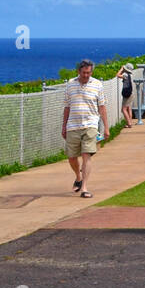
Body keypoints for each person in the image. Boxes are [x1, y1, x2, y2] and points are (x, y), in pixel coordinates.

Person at [62, 60, 109, 198]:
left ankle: (84, 188)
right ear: (79, 72)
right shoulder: (70, 84)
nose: (86, 75)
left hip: (90, 124)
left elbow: (102, 107)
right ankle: (78, 177)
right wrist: (64, 126)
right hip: (73, 125)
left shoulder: (97, 85)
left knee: (86, 155)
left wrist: (106, 127)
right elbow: (67, 107)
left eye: (88, 73)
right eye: (84, 73)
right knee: (71, 157)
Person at [117, 62, 136, 128]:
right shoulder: (131, 75)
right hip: (132, 93)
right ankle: (129, 122)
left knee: (123, 109)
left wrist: (121, 69)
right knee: (129, 108)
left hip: (127, 94)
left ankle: (129, 123)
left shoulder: (125, 75)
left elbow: (118, 75)